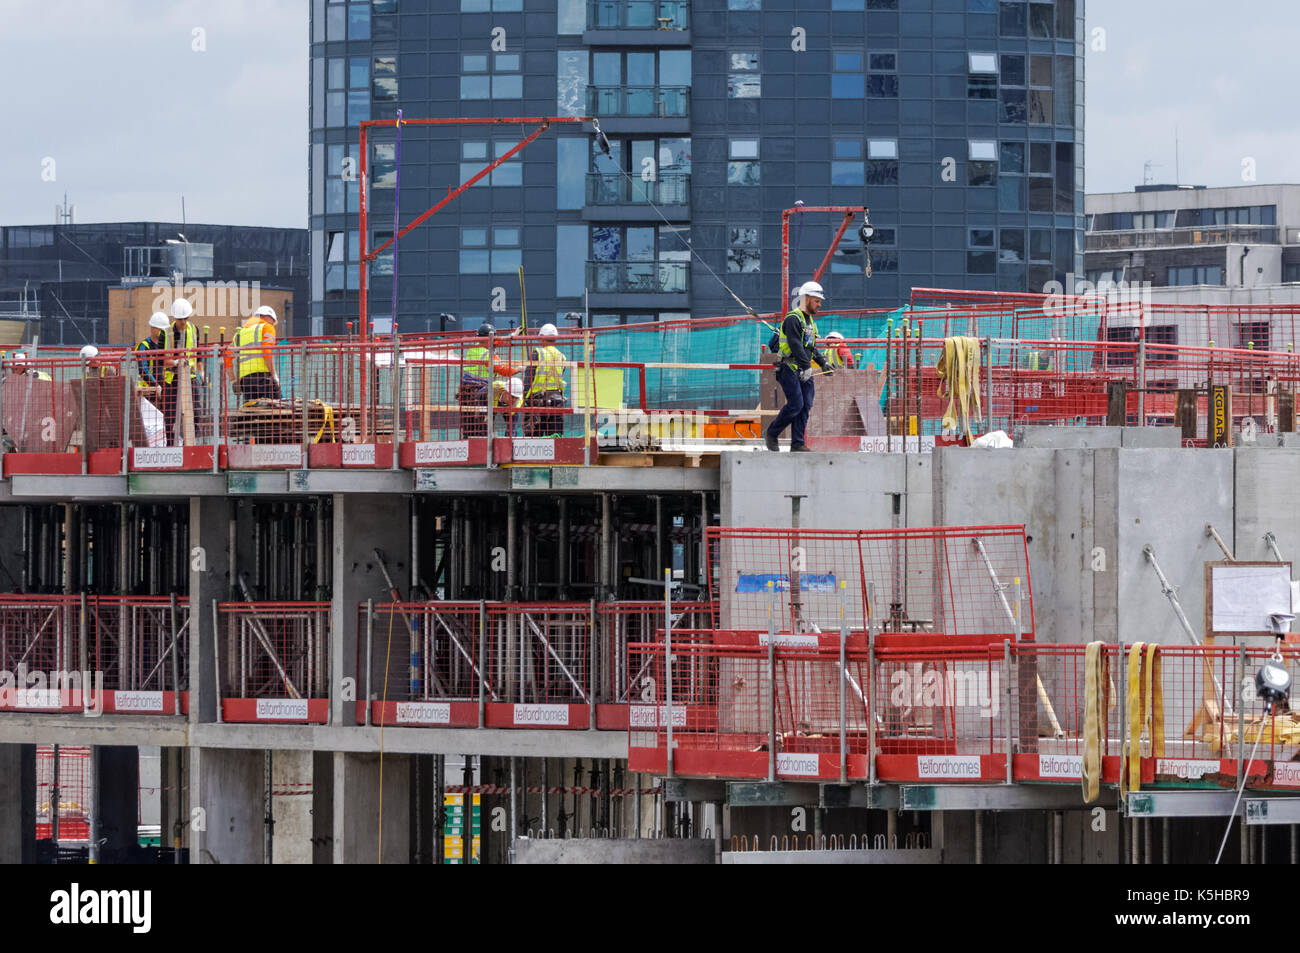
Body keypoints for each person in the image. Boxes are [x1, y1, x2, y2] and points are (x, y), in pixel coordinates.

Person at [765, 280, 832, 452]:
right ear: (807, 298)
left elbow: (810, 347)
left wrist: (823, 363)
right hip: (788, 368)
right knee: (796, 404)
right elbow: (795, 344)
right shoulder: (793, 319)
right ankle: (772, 433)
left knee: (806, 405)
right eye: (817, 301)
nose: (819, 305)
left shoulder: (810, 323)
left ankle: (797, 443)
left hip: (802, 369)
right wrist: (806, 366)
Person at [459, 323, 519, 437]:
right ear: (489, 338)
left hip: (466, 392)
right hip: (481, 392)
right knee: (483, 424)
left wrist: (512, 336)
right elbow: (504, 370)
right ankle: (484, 444)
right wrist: (518, 369)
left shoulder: (475, 348)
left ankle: (468, 444)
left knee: (469, 423)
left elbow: (495, 342)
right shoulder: (489, 354)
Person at [161, 299, 201, 445]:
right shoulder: (166, 333)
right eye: (180, 319)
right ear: (174, 318)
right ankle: (171, 445)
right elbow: (162, 360)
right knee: (170, 416)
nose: (183, 322)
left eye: (185, 318)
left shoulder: (194, 329)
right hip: (172, 379)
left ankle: (189, 444)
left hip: (189, 378)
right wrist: (177, 363)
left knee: (195, 413)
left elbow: (198, 355)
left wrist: (200, 372)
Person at [229, 305, 282, 402]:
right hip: (263, 377)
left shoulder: (239, 333)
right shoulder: (267, 327)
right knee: (275, 409)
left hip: (245, 381)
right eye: (273, 321)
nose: (273, 324)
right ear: (267, 317)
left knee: (251, 412)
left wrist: (233, 380)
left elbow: (227, 356)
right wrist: (275, 376)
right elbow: (266, 351)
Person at [523, 323, 567, 437]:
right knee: (555, 437)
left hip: (537, 401)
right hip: (557, 401)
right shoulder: (561, 356)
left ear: (541, 337)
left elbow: (529, 378)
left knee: (533, 437)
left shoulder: (537, 353)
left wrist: (524, 397)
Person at [135, 312, 169, 392]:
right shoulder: (144, 346)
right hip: (148, 389)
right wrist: (156, 385)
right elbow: (143, 370)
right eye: (160, 329)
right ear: (152, 328)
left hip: (164, 388)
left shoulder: (165, 346)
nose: (163, 332)